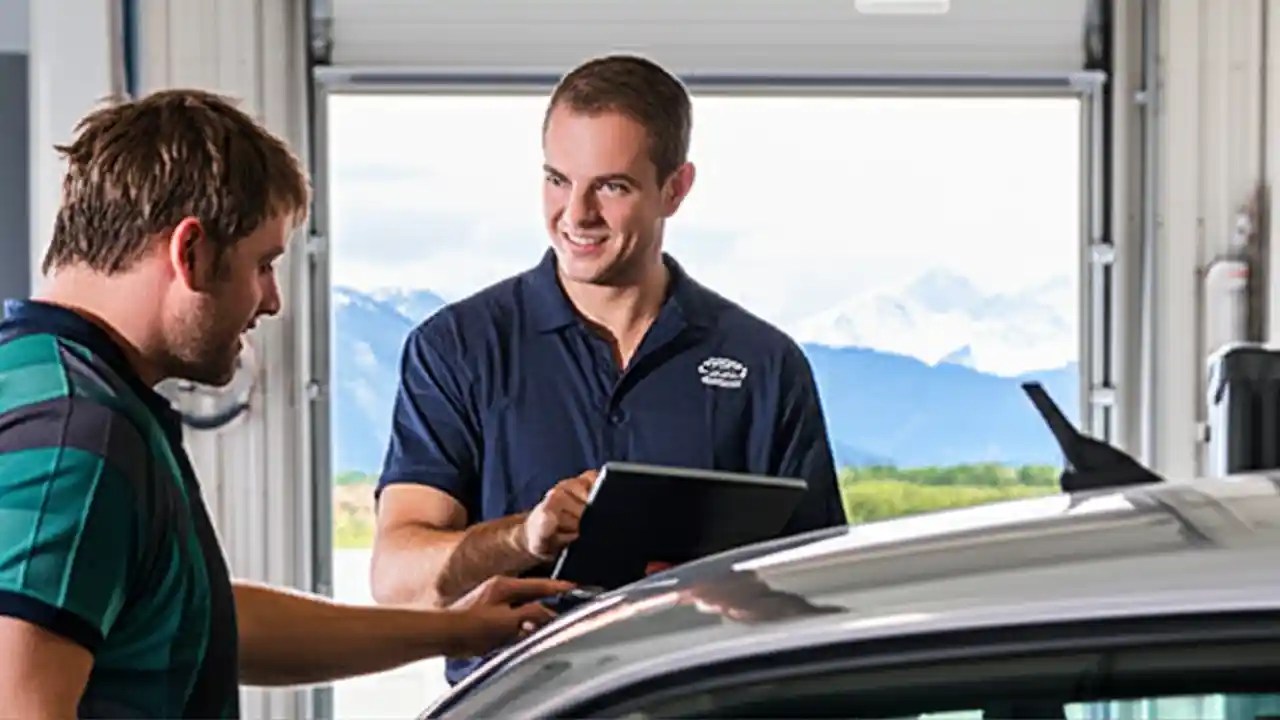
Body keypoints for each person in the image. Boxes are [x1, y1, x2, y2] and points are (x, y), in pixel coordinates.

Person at [0, 89, 571, 720]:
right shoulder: (76, 439)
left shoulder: (37, 381)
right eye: (264, 264)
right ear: (190, 254)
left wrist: (455, 629)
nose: (272, 300)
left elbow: (195, 617)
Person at [371, 53, 848, 684]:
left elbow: (819, 596)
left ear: (675, 189)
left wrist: (749, 600)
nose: (576, 214)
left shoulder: (764, 365)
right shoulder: (456, 348)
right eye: (557, 180)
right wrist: (525, 537)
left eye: (612, 187)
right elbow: (396, 581)